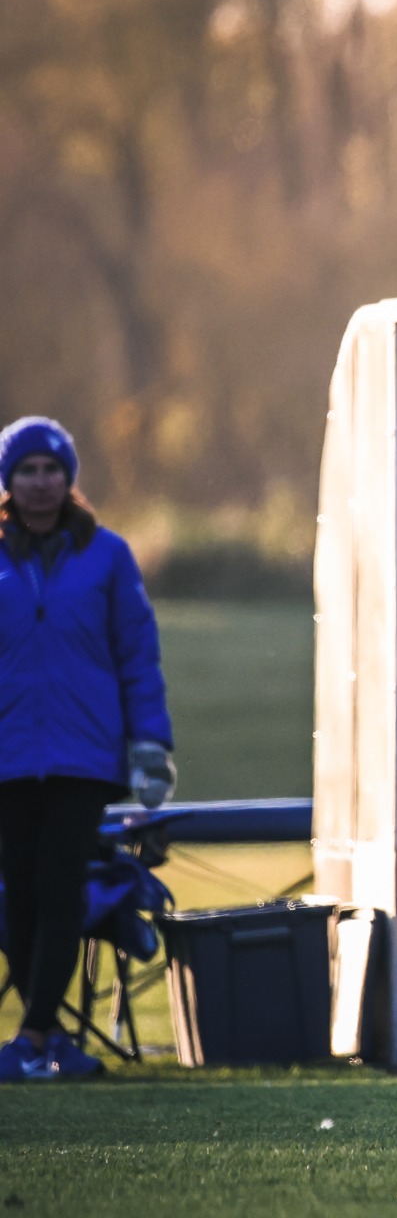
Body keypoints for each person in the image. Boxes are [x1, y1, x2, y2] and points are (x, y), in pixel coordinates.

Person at [0, 417, 174, 1082]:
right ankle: (44, 1038)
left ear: (69, 477)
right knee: (18, 895)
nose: (41, 483)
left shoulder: (108, 556)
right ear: (9, 481)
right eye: (27, 470)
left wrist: (151, 745)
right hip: (10, 754)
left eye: (51, 470)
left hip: (81, 755)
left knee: (59, 884)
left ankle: (36, 1033)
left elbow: (138, 655)